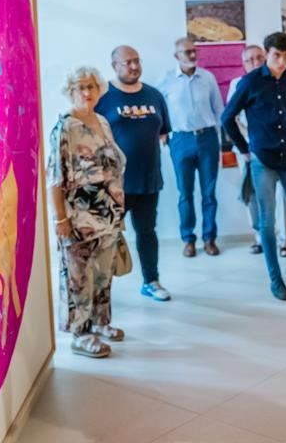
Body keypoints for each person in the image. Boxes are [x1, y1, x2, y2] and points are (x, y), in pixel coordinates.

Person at [222, 32, 286, 300]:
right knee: (268, 223)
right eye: (276, 56)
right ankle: (275, 279)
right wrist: (246, 149)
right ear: (267, 54)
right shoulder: (250, 82)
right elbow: (227, 118)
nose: (281, 61)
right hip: (262, 160)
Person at [48, 67, 127, 358]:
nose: (86, 93)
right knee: (79, 278)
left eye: (91, 86)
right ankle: (81, 333)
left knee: (103, 274)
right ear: (70, 91)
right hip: (78, 216)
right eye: (80, 87)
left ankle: (101, 321)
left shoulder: (103, 122)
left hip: (107, 214)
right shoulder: (65, 127)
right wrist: (60, 218)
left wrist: (117, 208)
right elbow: (55, 178)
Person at [96, 46, 173, 302]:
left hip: (149, 180)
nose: (133, 66)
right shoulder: (103, 97)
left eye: (136, 61)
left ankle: (151, 281)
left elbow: (163, 134)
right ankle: (100, 289)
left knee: (147, 233)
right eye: (127, 62)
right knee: (107, 237)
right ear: (114, 65)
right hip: (114, 185)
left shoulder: (154, 95)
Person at [158, 37, 224, 257]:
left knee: (209, 193)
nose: (192, 55)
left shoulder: (207, 78)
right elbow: (157, 108)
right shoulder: (166, 80)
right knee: (185, 193)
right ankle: (188, 239)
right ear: (176, 56)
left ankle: (209, 238)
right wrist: (162, 132)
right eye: (187, 52)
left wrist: (217, 137)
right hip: (180, 140)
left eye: (194, 51)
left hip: (207, 139)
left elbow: (218, 110)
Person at [228, 45, 269, 254]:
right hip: (246, 148)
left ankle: (282, 239)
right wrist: (246, 145)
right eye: (250, 59)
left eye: (259, 58)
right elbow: (231, 118)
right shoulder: (238, 84)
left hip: (269, 148)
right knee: (251, 193)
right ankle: (259, 236)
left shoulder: (273, 81)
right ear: (244, 64)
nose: (255, 63)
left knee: (275, 196)